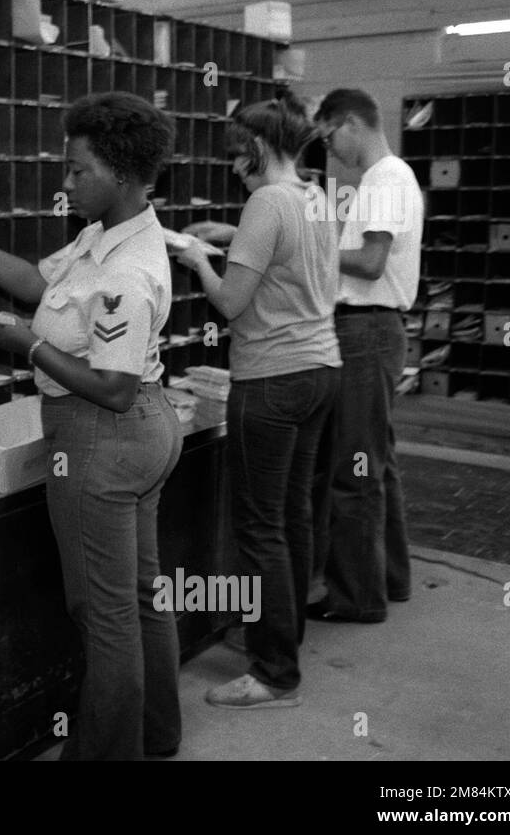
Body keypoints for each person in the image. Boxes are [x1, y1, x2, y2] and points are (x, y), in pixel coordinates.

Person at [0, 92, 182, 760]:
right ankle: (157, 734)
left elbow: (112, 387)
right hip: (143, 431)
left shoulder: (126, 270)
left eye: (78, 170)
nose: (66, 182)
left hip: (102, 436)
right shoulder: (104, 235)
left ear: (120, 172)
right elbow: (31, 281)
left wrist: (31, 350)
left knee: (104, 614)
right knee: (140, 594)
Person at [177, 94, 341, 709]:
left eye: (234, 151)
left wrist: (196, 257)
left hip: (271, 378)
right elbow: (292, 263)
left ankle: (273, 673)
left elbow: (230, 302)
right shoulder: (314, 195)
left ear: (259, 146)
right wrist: (229, 234)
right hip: (321, 368)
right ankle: (286, 640)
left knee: (261, 528)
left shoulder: (265, 202)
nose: (230, 163)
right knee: (294, 515)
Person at [308, 89, 423, 621]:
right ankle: (389, 579)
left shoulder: (385, 178)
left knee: (354, 472)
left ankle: (356, 598)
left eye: (329, 136)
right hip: (375, 331)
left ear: (349, 122)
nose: (330, 150)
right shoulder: (385, 180)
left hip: (367, 331)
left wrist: (309, 248)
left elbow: (371, 262)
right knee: (379, 464)